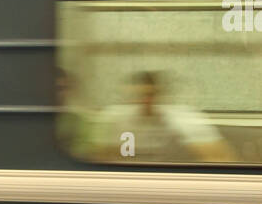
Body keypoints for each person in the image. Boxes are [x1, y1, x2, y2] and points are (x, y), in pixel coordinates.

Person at [93, 70, 235, 163]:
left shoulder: (183, 118)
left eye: (151, 95)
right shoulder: (116, 118)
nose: (145, 101)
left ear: (161, 95)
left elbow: (220, 158)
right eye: (140, 95)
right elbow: (100, 157)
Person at [55, 67, 99, 159]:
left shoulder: (78, 121)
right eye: (57, 88)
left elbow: (86, 151)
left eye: (64, 89)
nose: (61, 94)